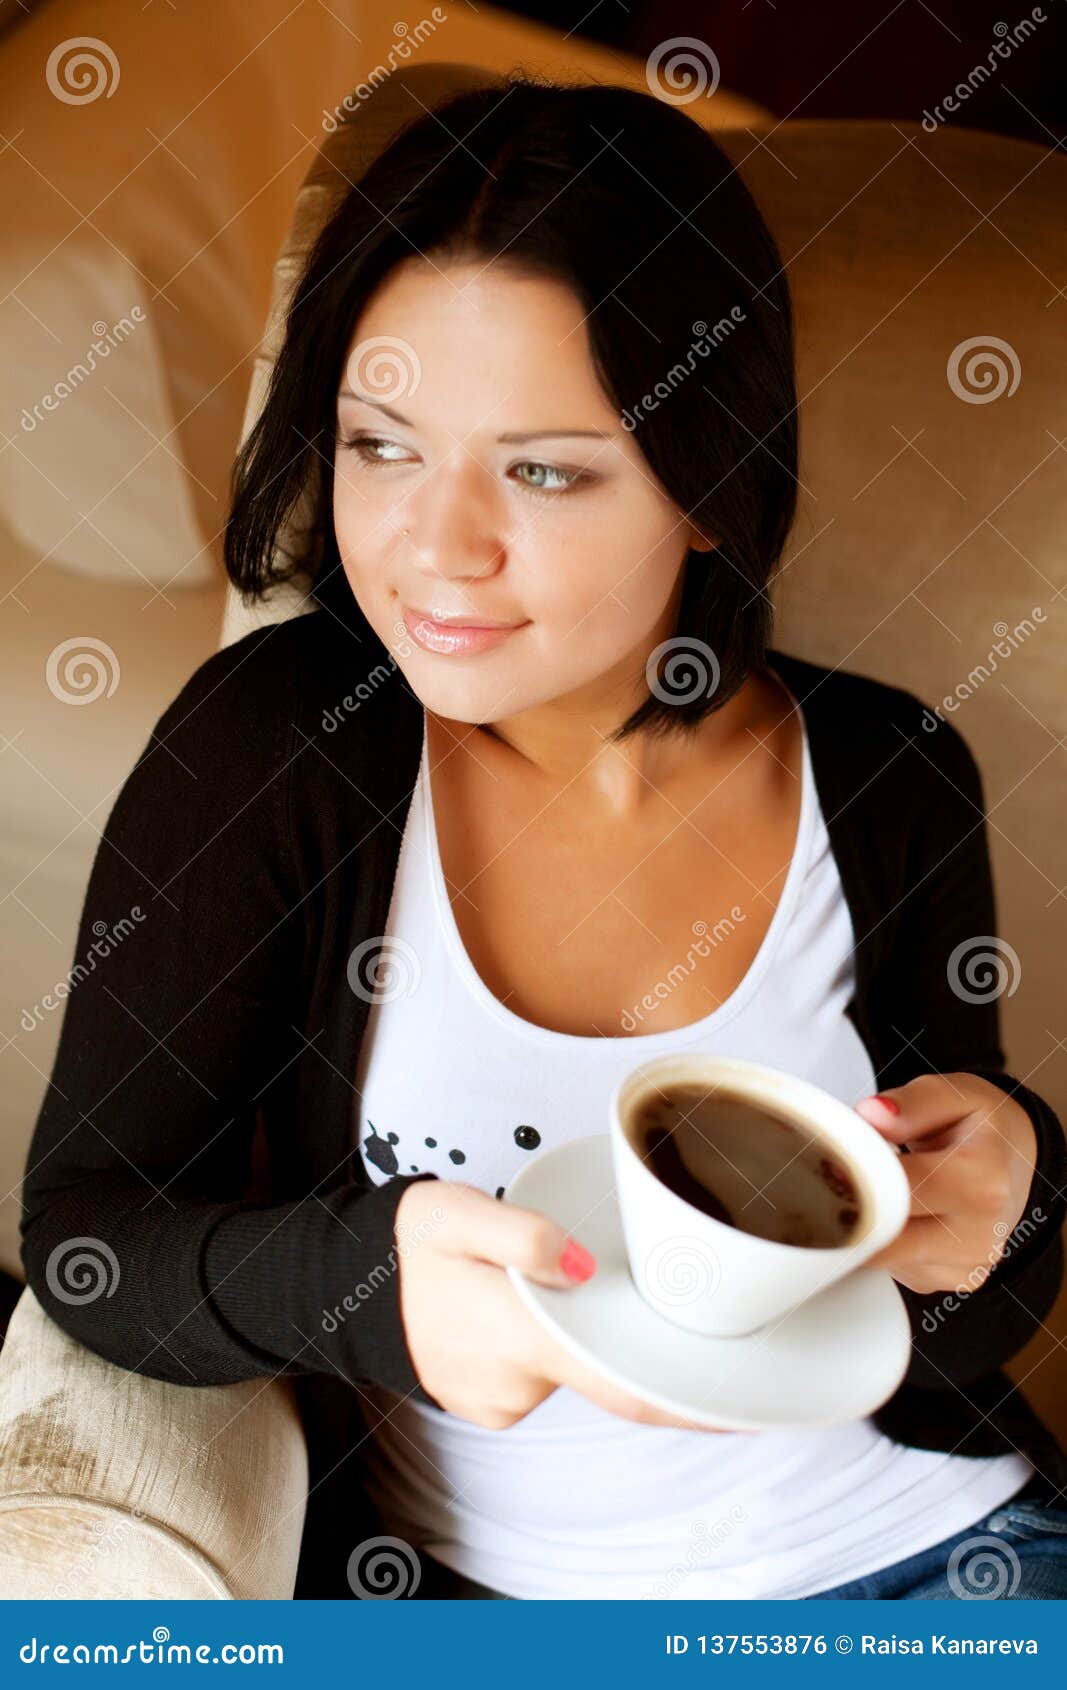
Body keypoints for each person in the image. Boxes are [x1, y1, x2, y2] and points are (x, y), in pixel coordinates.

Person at [19, 77, 1067, 1602]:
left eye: (545, 470)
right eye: (382, 447)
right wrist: (374, 1286)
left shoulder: (894, 771)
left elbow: (955, 1316)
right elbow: (89, 1234)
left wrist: (1021, 1192)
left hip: (939, 1558)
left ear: (707, 485)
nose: (435, 546)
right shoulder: (278, 749)